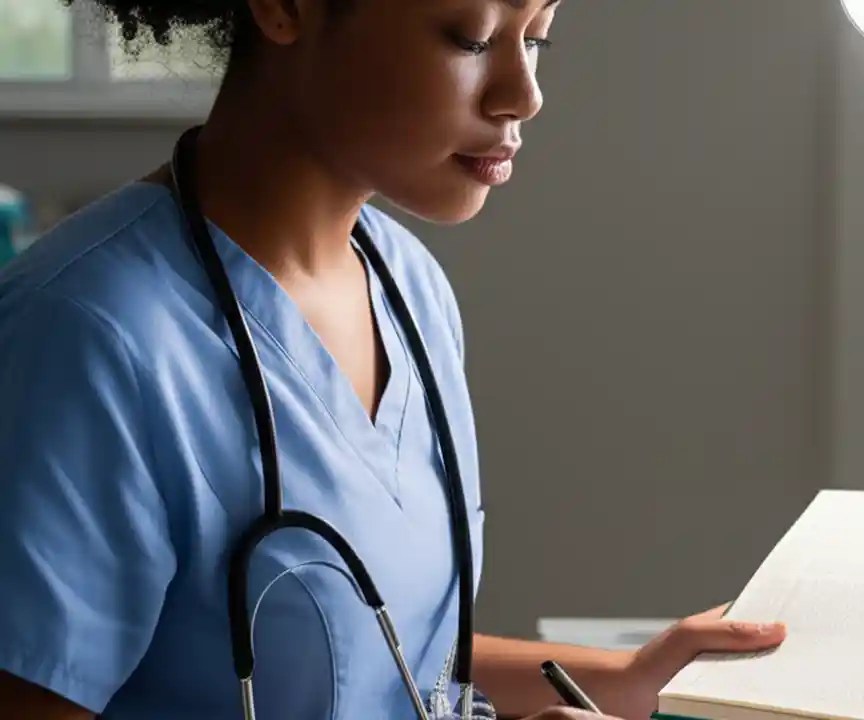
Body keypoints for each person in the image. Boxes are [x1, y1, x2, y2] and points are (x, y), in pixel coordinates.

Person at [0, 0, 787, 717]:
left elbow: (378, 663)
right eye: (472, 36)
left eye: (537, 37)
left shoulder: (407, 285)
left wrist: (629, 676)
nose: (523, 93)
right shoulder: (83, 335)